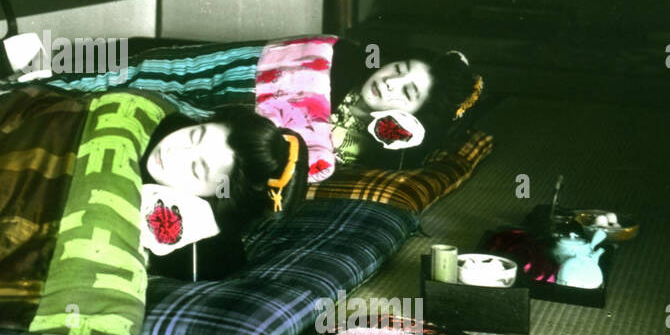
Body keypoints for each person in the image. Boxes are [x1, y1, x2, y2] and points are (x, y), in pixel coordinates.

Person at [140, 105, 309, 281]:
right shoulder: (158, 119)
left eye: (196, 168)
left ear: (216, 195)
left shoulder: (201, 254)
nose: (173, 152)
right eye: (194, 135)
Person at [327, 38, 484, 170]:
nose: (390, 81)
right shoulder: (343, 63)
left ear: (415, 117)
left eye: (407, 92)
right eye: (398, 68)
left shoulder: (377, 153)